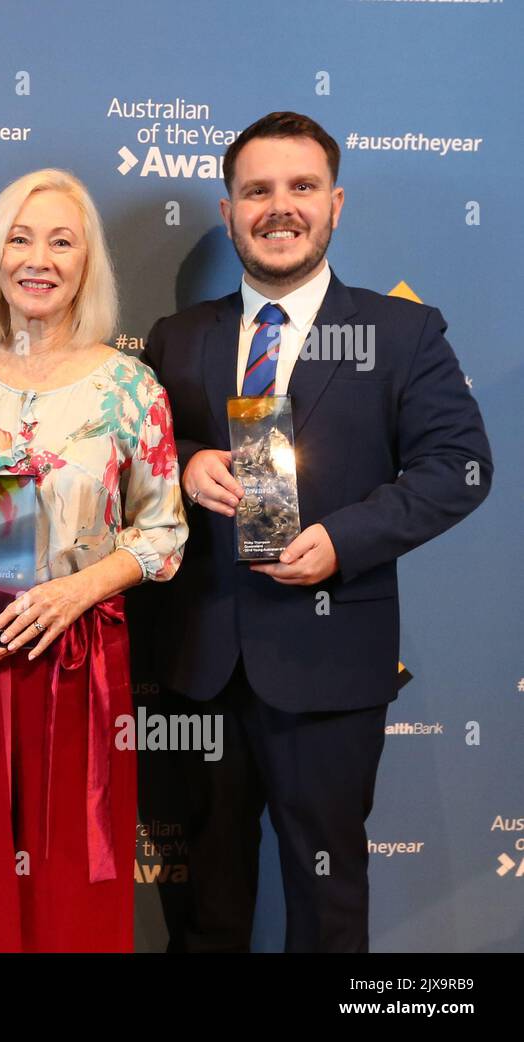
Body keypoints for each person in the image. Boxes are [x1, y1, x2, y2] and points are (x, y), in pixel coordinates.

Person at [140, 111, 492, 952]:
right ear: (228, 212)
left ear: (335, 204)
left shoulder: (404, 333)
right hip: (201, 668)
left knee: (330, 904)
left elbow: (459, 468)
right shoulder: (177, 337)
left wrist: (346, 538)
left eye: (300, 188)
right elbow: (133, 458)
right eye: (256, 191)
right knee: (209, 908)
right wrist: (187, 462)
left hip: (332, 667)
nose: (279, 207)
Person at [0, 169, 187, 952]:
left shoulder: (132, 389)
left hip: (82, 662)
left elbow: (162, 533)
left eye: (61, 241)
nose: (39, 258)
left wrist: (77, 593)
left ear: (87, 261)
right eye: (21, 239)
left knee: (70, 876)